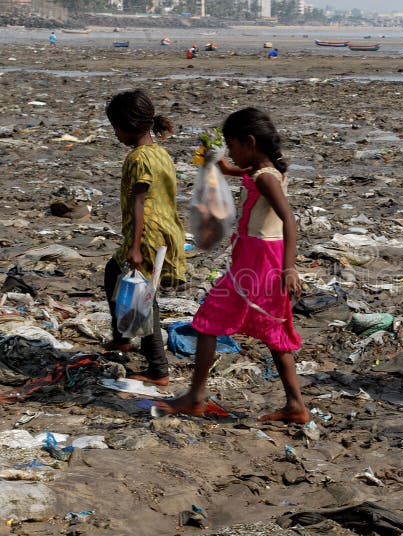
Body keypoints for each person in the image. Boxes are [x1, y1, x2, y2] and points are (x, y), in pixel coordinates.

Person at [163, 107, 309, 423]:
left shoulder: (266, 177)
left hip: (261, 262)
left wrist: (290, 268)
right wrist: (223, 166)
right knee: (273, 329)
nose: (231, 153)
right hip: (258, 259)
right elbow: (247, 175)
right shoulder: (264, 170)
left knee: (208, 319)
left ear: (250, 142)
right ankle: (296, 405)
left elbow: (289, 220)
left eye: (233, 146)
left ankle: (195, 396)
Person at [104, 90, 187, 386]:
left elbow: (140, 202)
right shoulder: (159, 153)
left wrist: (136, 247)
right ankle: (123, 338)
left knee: (144, 298)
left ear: (127, 125)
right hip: (163, 230)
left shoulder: (139, 158)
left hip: (147, 234)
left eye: (115, 126)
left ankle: (158, 369)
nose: (115, 133)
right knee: (114, 272)